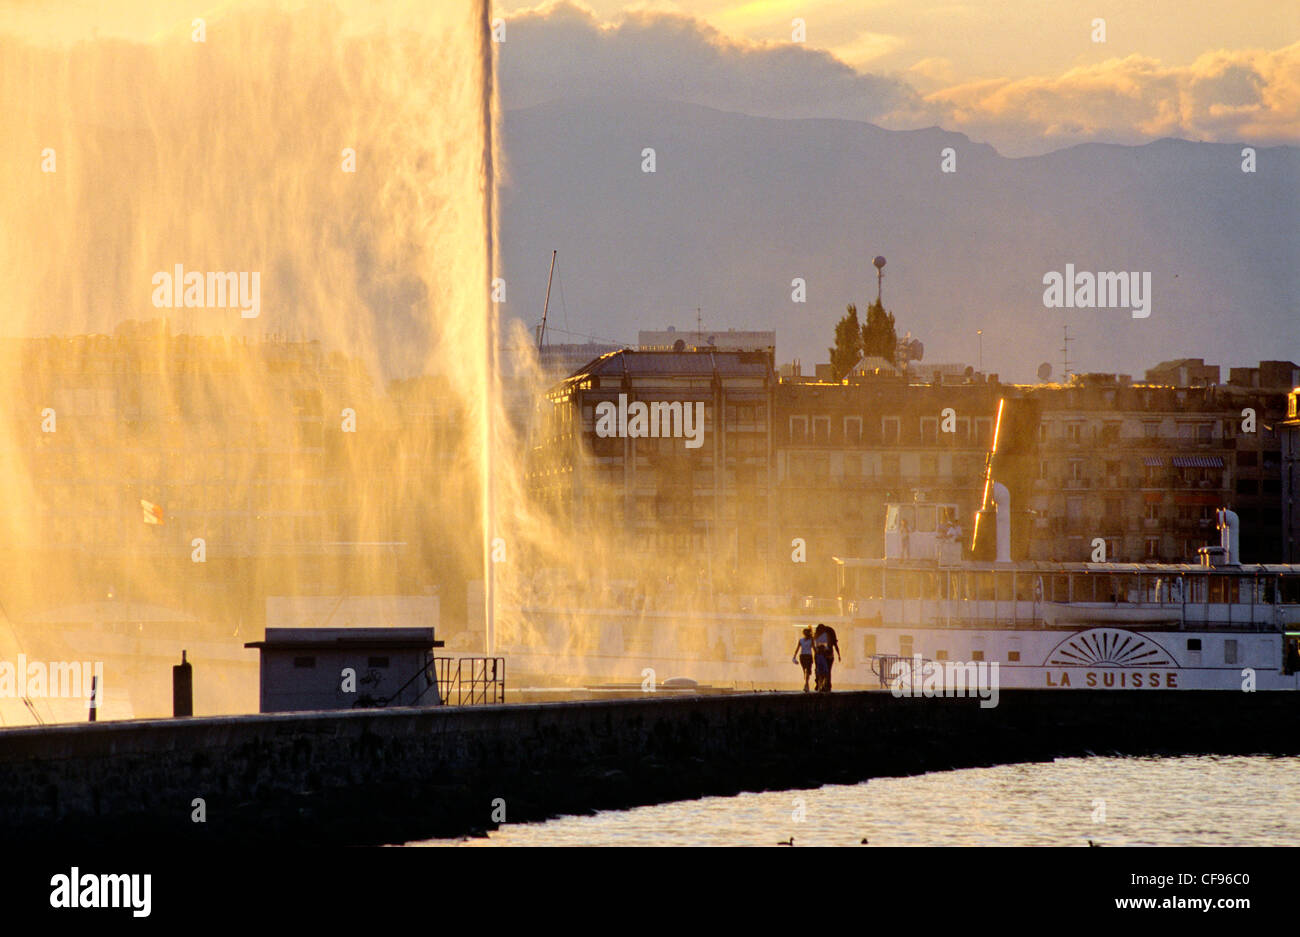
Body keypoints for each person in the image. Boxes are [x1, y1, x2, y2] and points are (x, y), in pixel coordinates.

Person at [813, 623, 841, 692]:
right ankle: (826, 685)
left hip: (824, 655)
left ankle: (823, 684)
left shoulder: (822, 634)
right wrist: (838, 655)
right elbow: (835, 645)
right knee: (827, 671)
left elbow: (815, 644)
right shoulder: (829, 632)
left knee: (821, 670)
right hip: (826, 655)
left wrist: (838, 655)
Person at [792, 627, 815, 692]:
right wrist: (794, 656)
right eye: (805, 633)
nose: (806, 634)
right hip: (802, 656)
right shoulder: (801, 640)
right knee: (805, 670)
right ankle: (806, 684)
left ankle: (806, 684)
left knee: (807, 670)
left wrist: (817, 655)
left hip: (809, 656)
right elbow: (797, 648)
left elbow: (814, 648)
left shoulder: (811, 640)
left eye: (807, 632)